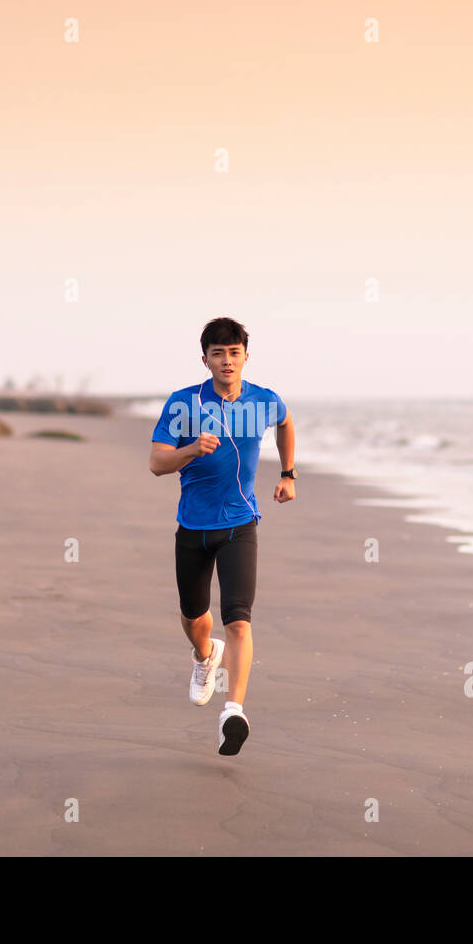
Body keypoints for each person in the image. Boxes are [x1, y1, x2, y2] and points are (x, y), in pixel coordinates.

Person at [148, 317, 296, 755]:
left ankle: (233, 710)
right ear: (205, 359)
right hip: (193, 526)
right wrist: (192, 449)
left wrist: (288, 473)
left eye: (234, 352)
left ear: (246, 356)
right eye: (218, 353)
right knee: (194, 618)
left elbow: (286, 423)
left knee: (238, 619)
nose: (227, 360)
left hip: (240, 523)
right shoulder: (183, 405)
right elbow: (157, 463)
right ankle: (202, 656)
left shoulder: (265, 400)